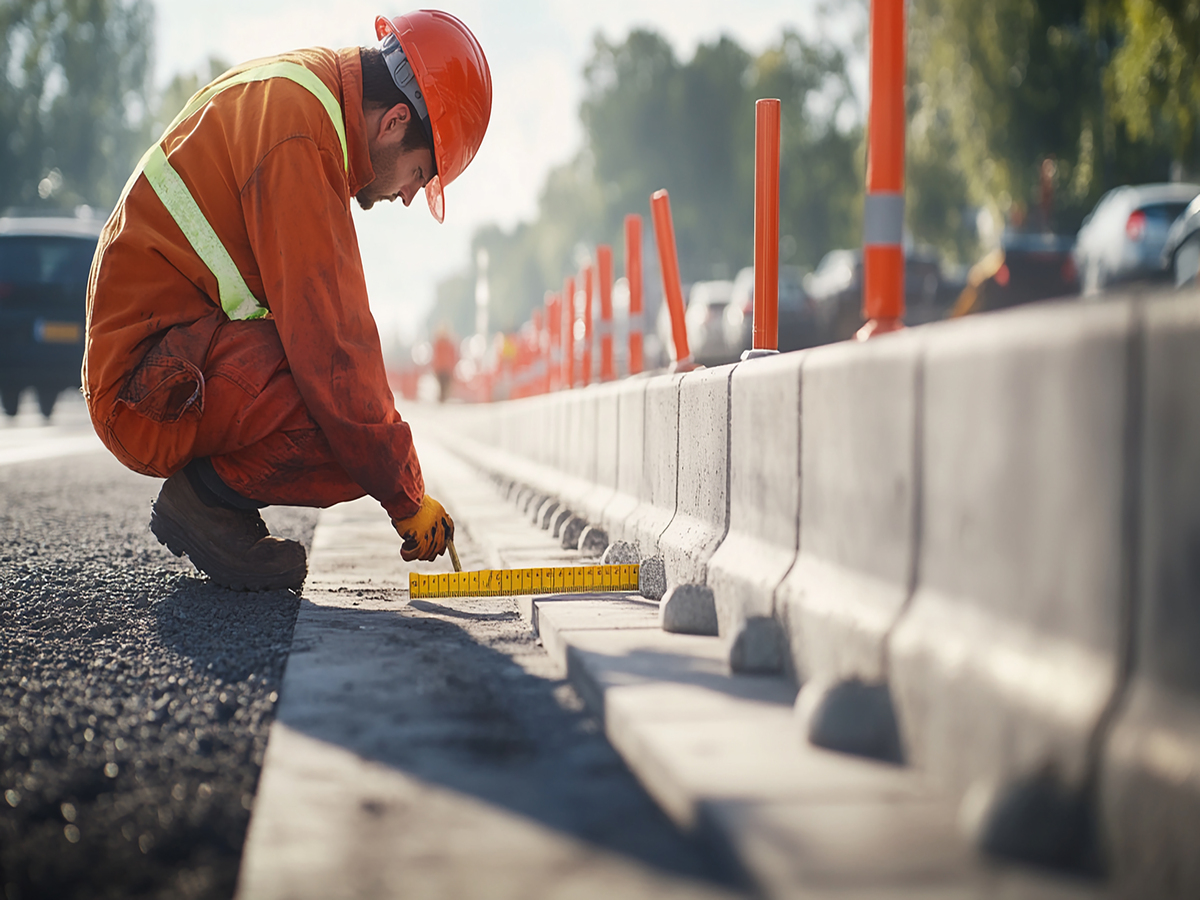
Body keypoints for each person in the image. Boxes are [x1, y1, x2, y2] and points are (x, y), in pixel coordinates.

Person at [82, 11, 492, 590]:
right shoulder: (300, 134)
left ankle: (217, 502)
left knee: (355, 419)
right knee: (345, 422)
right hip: (146, 387)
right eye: (417, 175)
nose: (405, 197)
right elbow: (334, 347)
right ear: (395, 121)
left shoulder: (306, 97)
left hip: (170, 358)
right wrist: (406, 497)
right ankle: (207, 502)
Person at [431, 325, 458, 402]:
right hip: (441, 368)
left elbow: (453, 356)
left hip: (446, 368)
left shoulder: (448, 343)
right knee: (442, 386)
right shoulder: (438, 343)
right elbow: (435, 356)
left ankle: (443, 399)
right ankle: (442, 399)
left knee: (446, 386)